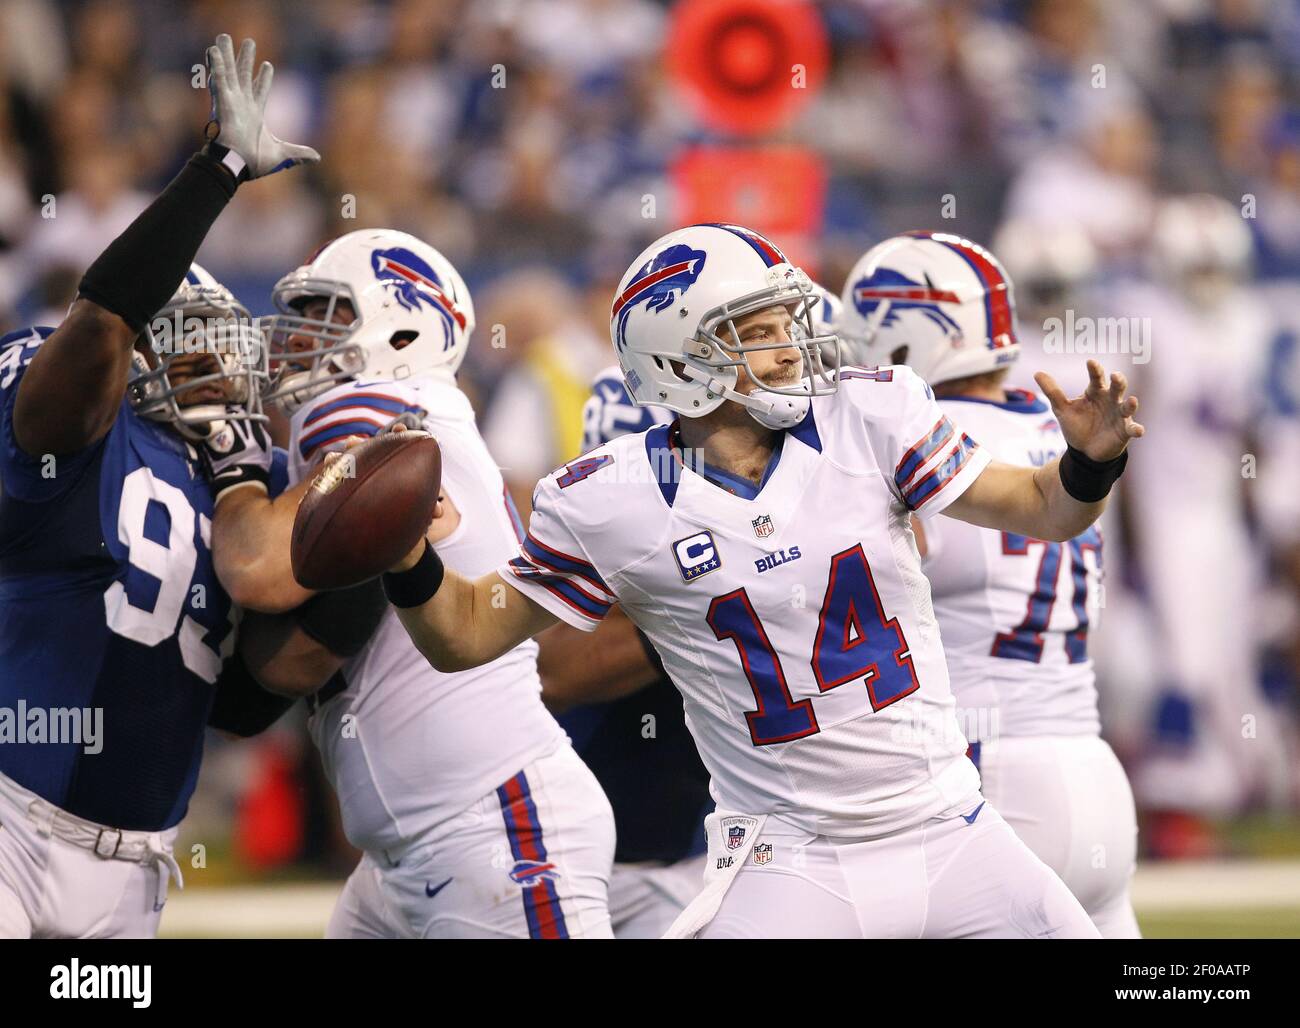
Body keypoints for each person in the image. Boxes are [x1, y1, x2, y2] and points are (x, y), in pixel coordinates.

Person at [379, 222, 1144, 938]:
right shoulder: (608, 501)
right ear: (679, 360)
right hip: (791, 858)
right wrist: (407, 556)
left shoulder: (870, 415)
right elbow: (465, 633)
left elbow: (1046, 508)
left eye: (787, 323)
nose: (789, 349)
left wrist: (1090, 463)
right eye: (758, 333)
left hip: (950, 825)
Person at [206, 229, 616, 939]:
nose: (296, 339)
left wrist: (235, 470)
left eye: (324, 315)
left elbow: (260, 571)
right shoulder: (424, 416)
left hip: (494, 825)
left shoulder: (382, 404)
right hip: (415, 851)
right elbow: (292, 660)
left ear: (401, 329)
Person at [0, 34, 317, 938]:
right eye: (194, 342)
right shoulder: (85, 430)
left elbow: (248, 703)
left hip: (139, 869)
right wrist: (218, 169)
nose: (223, 366)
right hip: (11, 818)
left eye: (232, 346)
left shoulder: (238, 483)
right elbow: (101, 319)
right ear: (144, 353)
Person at [839, 229, 1141, 937]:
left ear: (904, 337)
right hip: (1090, 766)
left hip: (989, 775)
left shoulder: (911, 442)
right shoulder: (1054, 430)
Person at [538, 365, 710, 938]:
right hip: (588, 853)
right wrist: (683, 613)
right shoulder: (582, 526)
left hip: (705, 855)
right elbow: (549, 672)